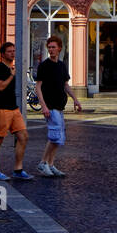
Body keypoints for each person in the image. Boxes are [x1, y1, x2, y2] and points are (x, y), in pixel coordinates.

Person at [34, 34, 82, 177]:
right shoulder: (44, 66)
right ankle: (43, 163)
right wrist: (43, 106)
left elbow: (65, 84)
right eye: (49, 47)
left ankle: (50, 164)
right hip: (50, 106)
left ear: (59, 49)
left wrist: (75, 99)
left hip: (59, 106)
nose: (51, 50)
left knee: (58, 137)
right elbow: (38, 87)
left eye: (53, 47)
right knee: (55, 136)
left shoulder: (61, 65)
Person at [0, 42, 31, 181]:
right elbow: (0, 87)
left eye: (14, 51)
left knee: (23, 136)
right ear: (2, 54)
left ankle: (18, 169)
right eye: (9, 51)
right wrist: (12, 76)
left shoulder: (11, 68)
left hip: (14, 108)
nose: (12, 53)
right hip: (2, 109)